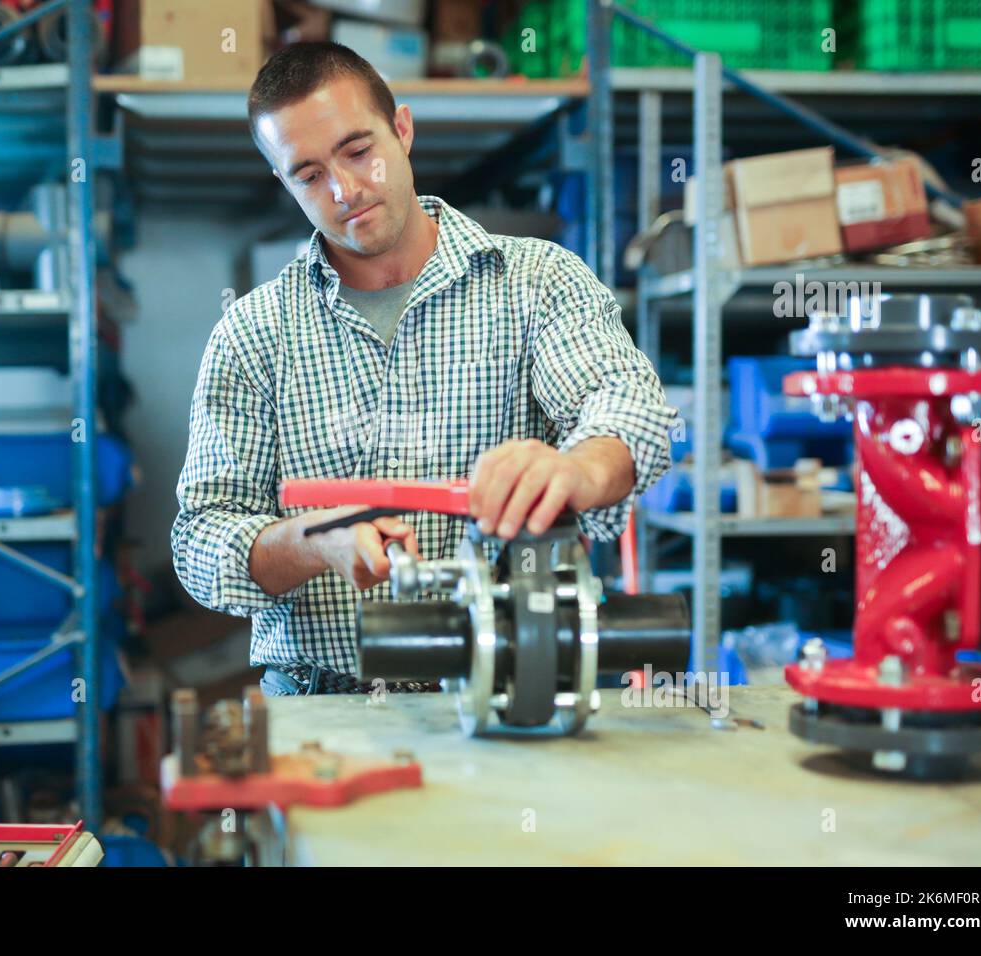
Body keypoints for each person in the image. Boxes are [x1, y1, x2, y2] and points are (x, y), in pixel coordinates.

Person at [172, 42, 676, 696]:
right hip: (326, 714)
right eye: (308, 174)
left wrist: (577, 470)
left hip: (512, 698)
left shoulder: (538, 282)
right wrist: (313, 542)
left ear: (402, 130)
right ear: (283, 180)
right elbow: (201, 541)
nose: (345, 190)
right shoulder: (253, 334)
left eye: (359, 151)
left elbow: (630, 409)